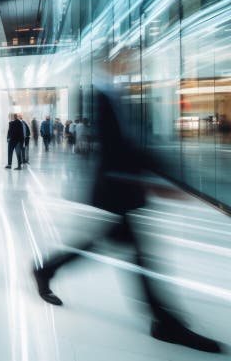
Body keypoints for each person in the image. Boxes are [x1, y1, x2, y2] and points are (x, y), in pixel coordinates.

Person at [32, 88, 222, 354]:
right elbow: (117, 147)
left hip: (122, 188)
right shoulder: (101, 94)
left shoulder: (114, 94)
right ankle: (163, 320)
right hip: (118, 187)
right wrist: (156, 177)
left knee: (108, 245)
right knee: (137, 253)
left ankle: (46, 270)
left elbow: (132, 142)